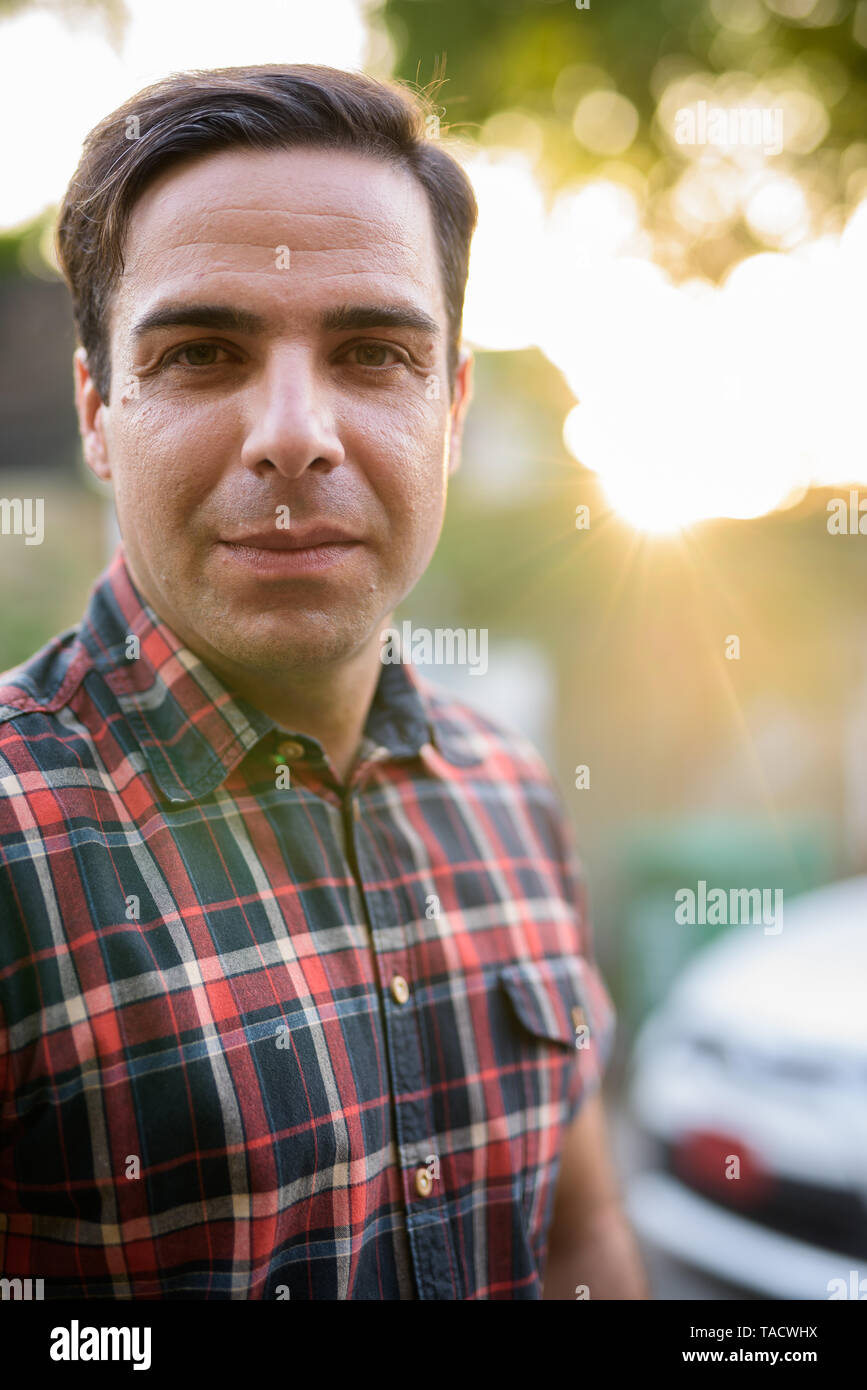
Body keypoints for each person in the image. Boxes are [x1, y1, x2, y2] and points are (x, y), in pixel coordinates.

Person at [0, 64, 647, 1300]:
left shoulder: (513, 796)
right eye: (200, 351)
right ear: (97, 411)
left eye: (372, 351)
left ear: (452, 410)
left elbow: (581, 1238)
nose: (293, 432)